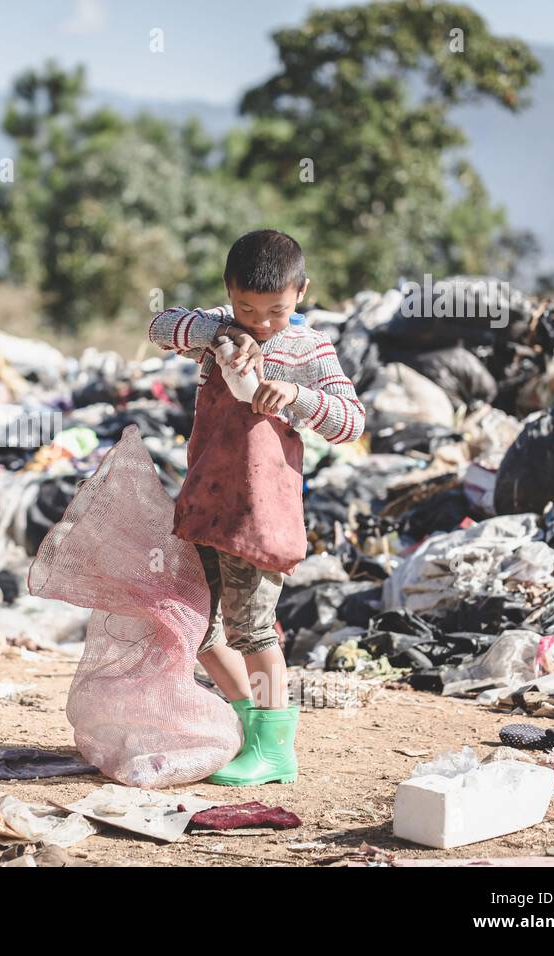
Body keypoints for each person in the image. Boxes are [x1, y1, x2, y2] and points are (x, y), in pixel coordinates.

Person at [147, 229, 365, 785]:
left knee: (255, 631)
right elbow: (158, 326)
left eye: (276, 311)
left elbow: (352, 422)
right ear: (229, 292)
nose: (261, 323)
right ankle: (248, 726)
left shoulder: (308, 348)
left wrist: (296, 397)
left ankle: (275, 745)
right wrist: (222, 332)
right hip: (205, 503)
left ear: (302, 294)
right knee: (190, 621)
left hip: (260, 515)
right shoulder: (219, 329)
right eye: (247, 307)